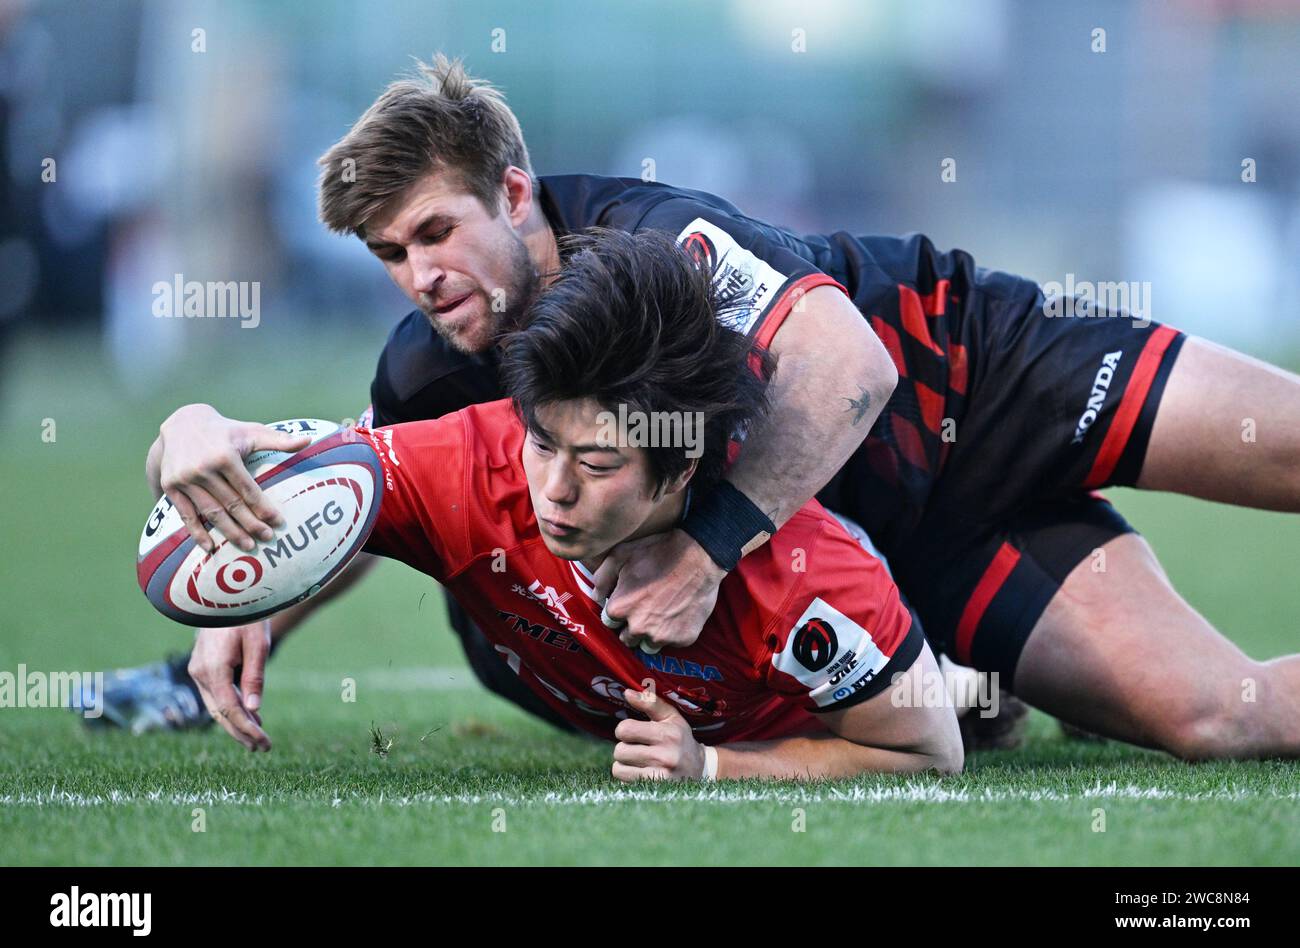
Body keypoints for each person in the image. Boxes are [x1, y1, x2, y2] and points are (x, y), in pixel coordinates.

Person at [104, 55, 1300, 762]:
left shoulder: (657, 236)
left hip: (976, 374)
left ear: (513, 192)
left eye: (435, 230)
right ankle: (991, 676)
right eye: (387, 253)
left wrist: (706, 544)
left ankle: (989, 686)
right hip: (925, 549)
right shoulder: (434, 364)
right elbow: (378, 494)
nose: (420, 274)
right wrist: (255, 581)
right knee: (1217, 714)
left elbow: (847, 368)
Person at [187, 230, 963, 779]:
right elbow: (282, 477)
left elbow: (926, 756)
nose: (553, 489)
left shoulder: (808, 584)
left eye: (597, 463)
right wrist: (191, 435)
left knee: (968, 709)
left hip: (794, 707)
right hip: (544, 678)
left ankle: (968, 676)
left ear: (681, 464)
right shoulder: (469, 462)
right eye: (541, 442)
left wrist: (715, 766)